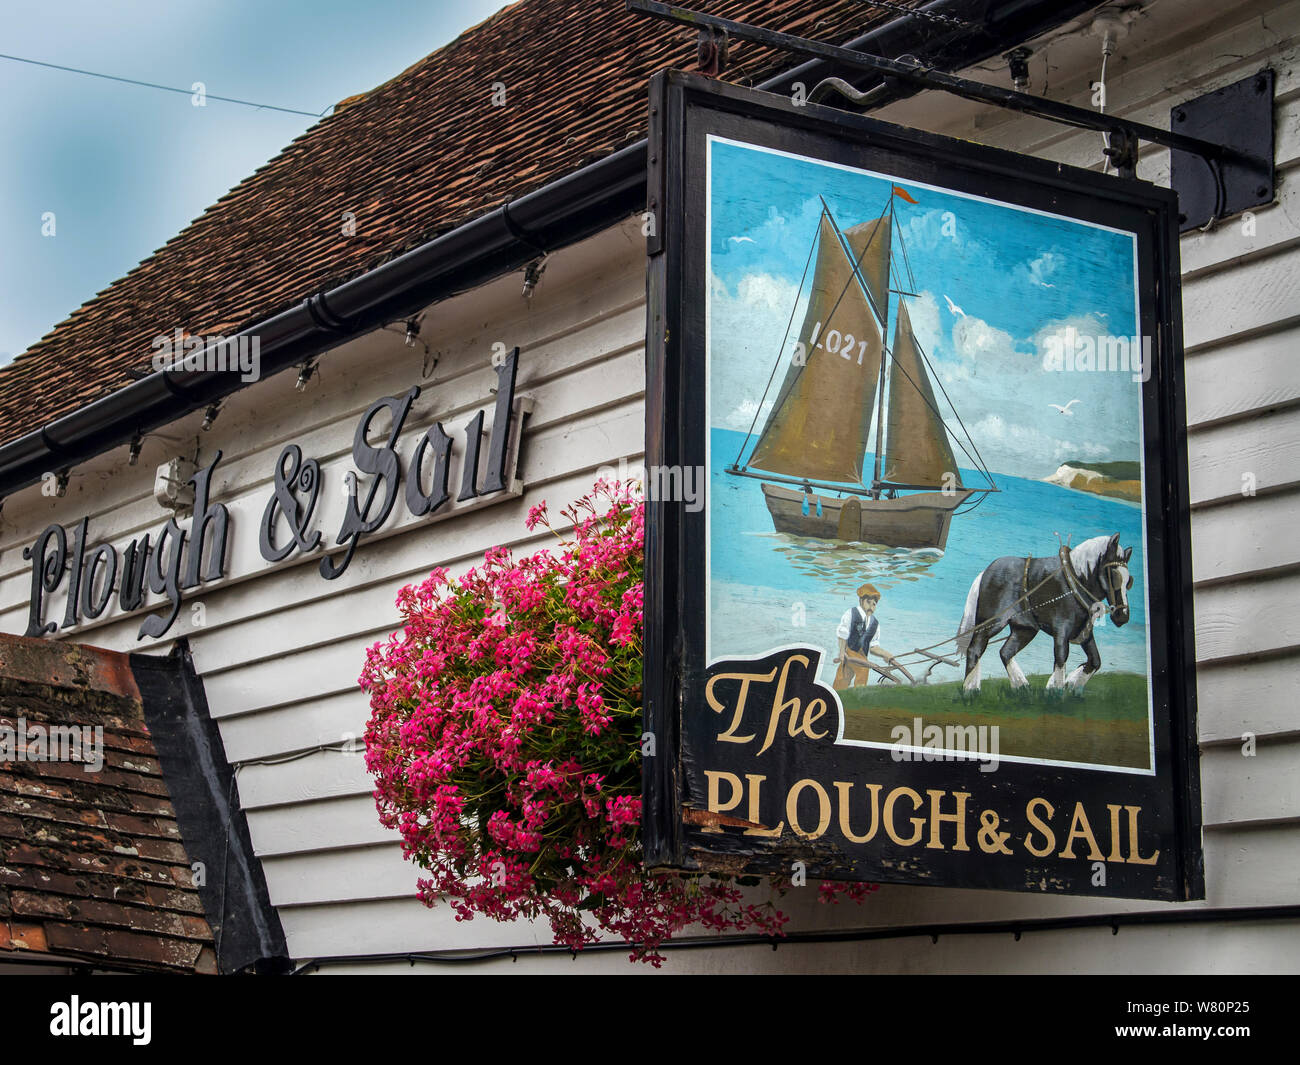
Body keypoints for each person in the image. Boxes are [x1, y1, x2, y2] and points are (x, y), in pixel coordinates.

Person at [832, 582, 909, 688]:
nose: (871, 607)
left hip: (862, 655)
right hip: (849, 652)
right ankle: (841, 694)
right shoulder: (851, 613)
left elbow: (873, 647)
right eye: (868, 602)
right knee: (847, 676)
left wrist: (885, 654)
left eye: (874, 604)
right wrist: (841, 653)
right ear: (861, 601)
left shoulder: (875, 624)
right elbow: (842, 634)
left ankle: (853, 694)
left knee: (854, 671)